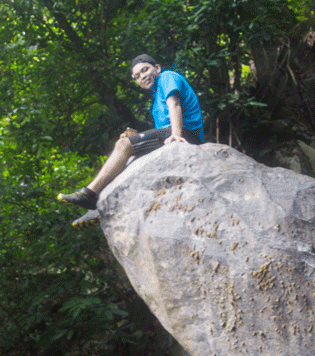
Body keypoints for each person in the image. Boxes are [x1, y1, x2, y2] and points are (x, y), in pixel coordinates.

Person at [57, 54, 205, 227]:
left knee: (123, 145)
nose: (143, 76)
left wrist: (176, 134)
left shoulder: (167, 77)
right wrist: (136, 137)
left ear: (157, 68)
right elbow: (160, 132)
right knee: (128, 159)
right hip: (173, 133)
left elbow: (175, 104)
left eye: (145, 70)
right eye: (137, 76)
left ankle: (89, 194)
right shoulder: (156, 101)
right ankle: (99, 208)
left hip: (186, 134)